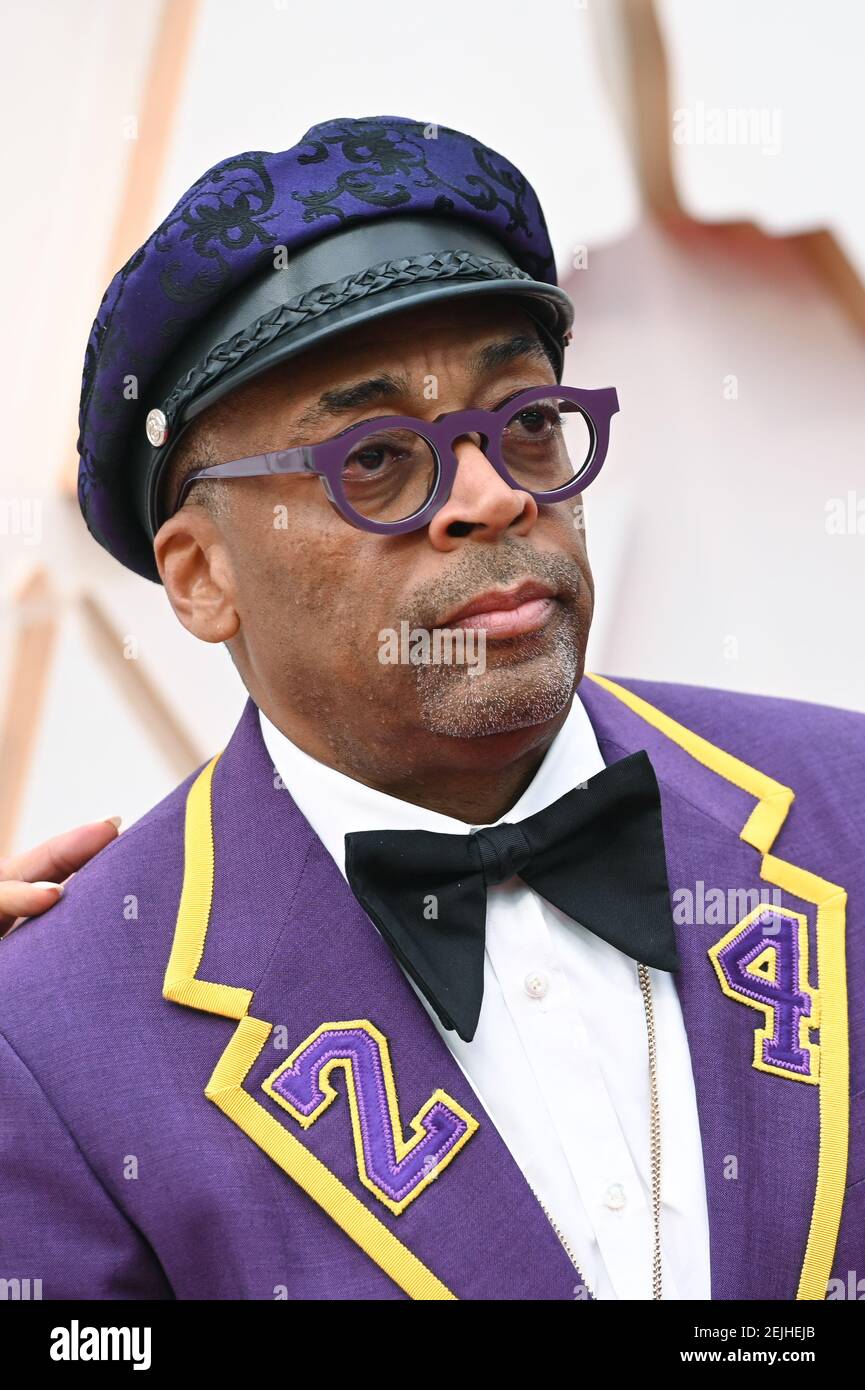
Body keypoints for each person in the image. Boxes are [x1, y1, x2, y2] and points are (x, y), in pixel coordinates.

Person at [0, 114, 861, 1303]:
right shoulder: (53, 1042)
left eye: (524, 423)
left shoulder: (845, 809)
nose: (493, 496)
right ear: (202, 575)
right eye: (374, 460)